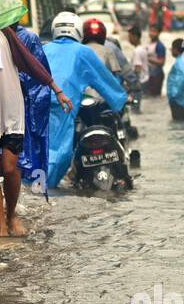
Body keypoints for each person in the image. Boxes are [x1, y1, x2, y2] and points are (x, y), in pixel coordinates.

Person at [43, 12, 129, 189]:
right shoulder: (83, 52)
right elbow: (105, 81)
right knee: (61, 154)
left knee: (40, 151)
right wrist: (120, 100)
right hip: (65, 108)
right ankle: (47, 191)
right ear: (77, 31)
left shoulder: (43, 49)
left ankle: (38, 191)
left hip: (39, 108)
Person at [8, 22, 72, 195]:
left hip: (24, 106)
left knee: (18, 161)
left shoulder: (28, 39)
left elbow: (36, 69)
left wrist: (55, 89)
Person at [0, 28, 27, 236]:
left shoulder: (7, 33)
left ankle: (11, 215)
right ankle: (1, 225)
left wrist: (54, 87)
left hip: (11, 106)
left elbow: (30, 63)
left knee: (9, 168)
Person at [127, 25, 150, 100]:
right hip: (145, 80)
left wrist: (132, 85)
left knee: (136, 107)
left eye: (130, 37)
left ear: (135, 37)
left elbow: (137, 69)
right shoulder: (142, 49)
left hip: (140, 82)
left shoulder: (137, 51)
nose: (129, 40)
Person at [145, 23, 165, 98]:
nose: (151, 33)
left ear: (158, 33)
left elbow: (161, 62)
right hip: (149, 74)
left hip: (157, 75)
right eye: (150, 31)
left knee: (155, 97)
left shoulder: (160, 46)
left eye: (154, 31)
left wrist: (147, 58)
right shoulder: (148, 43)